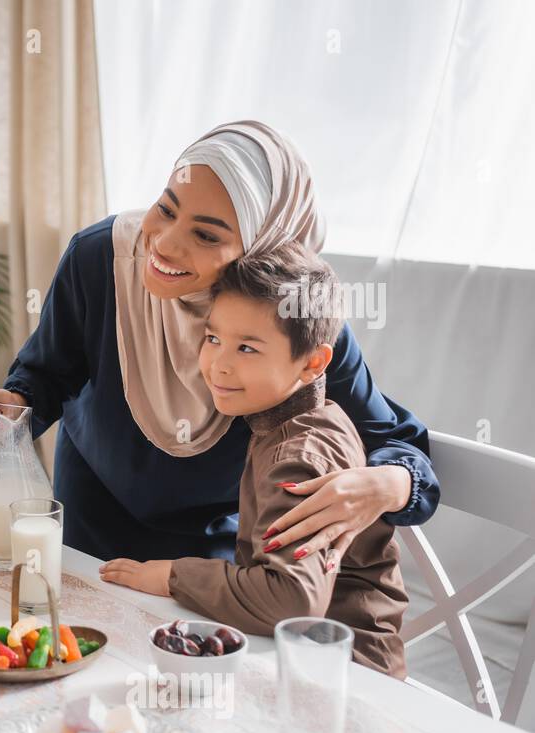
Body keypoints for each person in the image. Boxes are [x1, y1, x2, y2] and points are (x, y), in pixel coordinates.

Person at [0, 121, 438, 568]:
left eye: (206, 234)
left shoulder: (294, 318)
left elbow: (393, 442)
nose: (164, 244)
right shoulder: (98, 259)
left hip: (216, 567)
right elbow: (48, 374)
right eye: (166, 208)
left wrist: (388, 484)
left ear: (264, 246)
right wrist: (14, 405)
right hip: (84, 541)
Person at [103, 246, 408, 677]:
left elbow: (292, 598)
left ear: (313, 362)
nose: (218, 366)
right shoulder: (299, 420)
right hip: (305, 657)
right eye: (213, 339)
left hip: (345, 676)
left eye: (247, 348)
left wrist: (173, 575)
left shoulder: (297, 455)